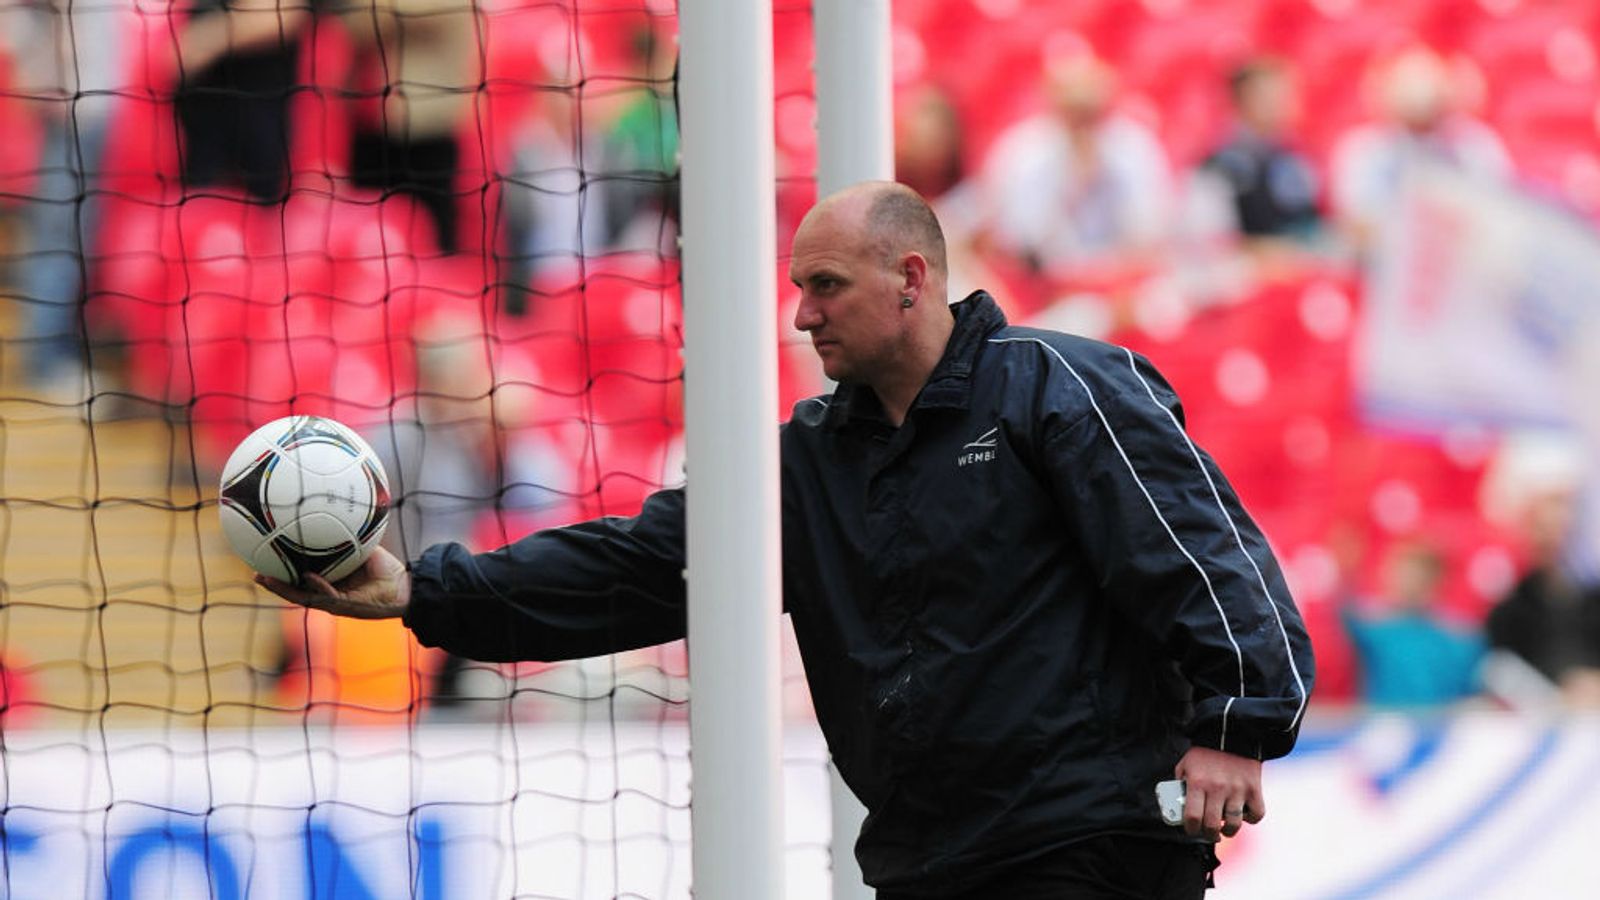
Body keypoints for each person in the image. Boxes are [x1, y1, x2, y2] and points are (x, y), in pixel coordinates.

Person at [259, 181, 1315, 898]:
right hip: (927, 862)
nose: (802, 314)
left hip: (1087, 842)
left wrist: (1238, 723)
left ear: (911, 279)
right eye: (800, 288)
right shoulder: (805, 463)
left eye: (826, 286)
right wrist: (424, 593)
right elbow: (640, 567)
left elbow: (1202, 554)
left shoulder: (1056, 386)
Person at [971, 50, 1173, 278]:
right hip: (1044, 278)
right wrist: (1071, 183)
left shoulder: (1135, 146)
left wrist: (1102, 175)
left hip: (1121, 276)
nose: (1082, 118)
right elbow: (1020, 236)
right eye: (1074, 108)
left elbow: (1150, 228)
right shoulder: (1023, 150)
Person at [1330, 45, 1511, 257]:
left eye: (1427, 80)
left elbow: (1497, 215)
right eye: (1406, 82)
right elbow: (1359, 224)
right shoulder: (1365, 149)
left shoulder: (1474, 144)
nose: (1418, 91)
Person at [1189, 58, 1323, 249]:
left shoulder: (1295, 157)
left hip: (1301, 260)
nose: (1277, 104)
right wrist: (1266, 250)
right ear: (1241, 99)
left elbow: (1310, 221)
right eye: (1267, 95)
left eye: (1283, 94)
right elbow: (1210, 239)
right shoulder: (1217, 164)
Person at [1341, 541, 1483, 708]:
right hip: (1384, 718)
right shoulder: (1369, 629)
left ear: (1436, 581)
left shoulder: (1461, 640)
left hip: (1439, 720)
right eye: (1402, 575)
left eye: (1418, 577)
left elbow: (1469, 693)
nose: (1408, 584)